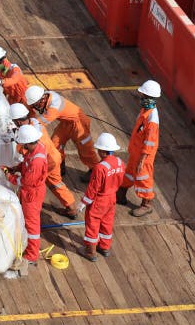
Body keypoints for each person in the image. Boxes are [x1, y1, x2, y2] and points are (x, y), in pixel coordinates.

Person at [8, 103, 77, 218]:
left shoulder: (32, 137)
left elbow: (27, 154)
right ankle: (72, 208)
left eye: (14, 122)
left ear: (18, 122)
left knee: (29, 182)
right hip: (54, 156)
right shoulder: (35, 123)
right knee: (56, 183)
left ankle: (22, 205)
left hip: (47, 161)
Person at [25, 85, 100, 181]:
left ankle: (94, 171)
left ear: (42, 99)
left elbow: (39, 123)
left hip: (79, 124)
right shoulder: (47, 95)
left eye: (35, 105)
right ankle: (60, 165)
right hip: (67, 123)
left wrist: (24, 126)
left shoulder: (54, 108)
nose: (35, 107)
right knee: (55, 144)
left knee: (86, 150)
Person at [5, 124, 48, 274]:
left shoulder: (37, 161)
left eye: (23, 143)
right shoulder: (35, 149)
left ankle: (31, 255)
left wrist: (9, 177)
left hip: (32, 193)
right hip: (29, 191)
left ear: (29, 142)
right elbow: (26, 163)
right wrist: (16, 168)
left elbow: (25, 181)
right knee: (27, 220)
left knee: (32, 225)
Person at [79, 133, 125, 262]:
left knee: (93, 223)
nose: (98, 152)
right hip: (112, 198)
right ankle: (104, 247)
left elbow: (93, 188)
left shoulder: (100, 168)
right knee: (107, 222)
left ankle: (91, 251)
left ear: (103, 152)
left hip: (100, 200)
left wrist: (84, 202)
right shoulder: (120, 163)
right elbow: (121, 180)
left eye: (99, 150)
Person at [118, 80, 161, 217]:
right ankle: (121, 193)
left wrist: (142, 159)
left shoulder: (152, 119)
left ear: (149, 97)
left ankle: (146, 204)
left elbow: (150, 142)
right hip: (136, 152)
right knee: (129, 171)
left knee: (143, 177)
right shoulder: (145, 110)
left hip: (144, 156)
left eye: (142, 95)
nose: (140, 97)